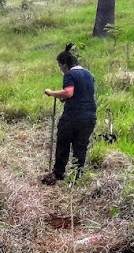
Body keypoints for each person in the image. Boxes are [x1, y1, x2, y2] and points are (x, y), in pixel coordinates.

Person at [41, 42, 97, 185]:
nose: (60, 69)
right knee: (81, 145)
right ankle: (77, 176)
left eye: (60, 66)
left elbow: (69, 92)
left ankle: (58, 173)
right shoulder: (89, 74)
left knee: (63, 143)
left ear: (65, 64)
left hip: (72, 116)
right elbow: (82, 94)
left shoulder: (70, 75)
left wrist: (51, 93)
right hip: (90, 116)